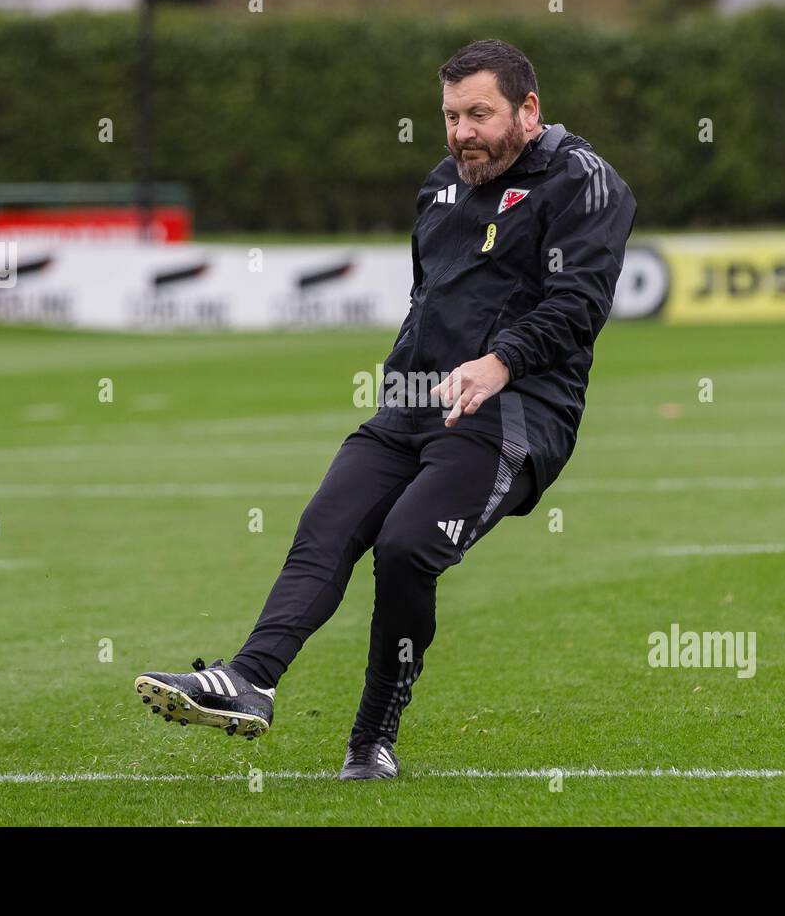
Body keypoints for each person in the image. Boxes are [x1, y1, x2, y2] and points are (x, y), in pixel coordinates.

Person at [136, 38, 638, 780]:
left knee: (406, 549)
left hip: (516, 410)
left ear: (529, 110)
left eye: (480, 114)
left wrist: (499, 363)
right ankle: (251, 680)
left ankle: (372, 737)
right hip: (410, 404)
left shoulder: (584, 182)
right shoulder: (440, 186)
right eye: (450, 116)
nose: (463, 132)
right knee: (327, 525)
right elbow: (427, 300)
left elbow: (580, 303)